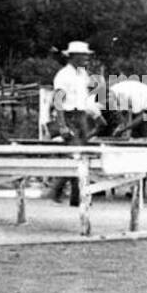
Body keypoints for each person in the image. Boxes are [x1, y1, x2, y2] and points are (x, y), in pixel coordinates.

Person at [51, 41, 96, 205]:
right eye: (83, 55)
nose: (87, 58)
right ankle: (59, 189)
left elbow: (84, 97)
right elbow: (58, 100)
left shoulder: (82, 74)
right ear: (73, 56)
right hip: (69, 116)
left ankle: (76, 196)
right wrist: (62, 124)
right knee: (75, 156)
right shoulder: (63, 75)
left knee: (82, 154)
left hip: (82, 116)